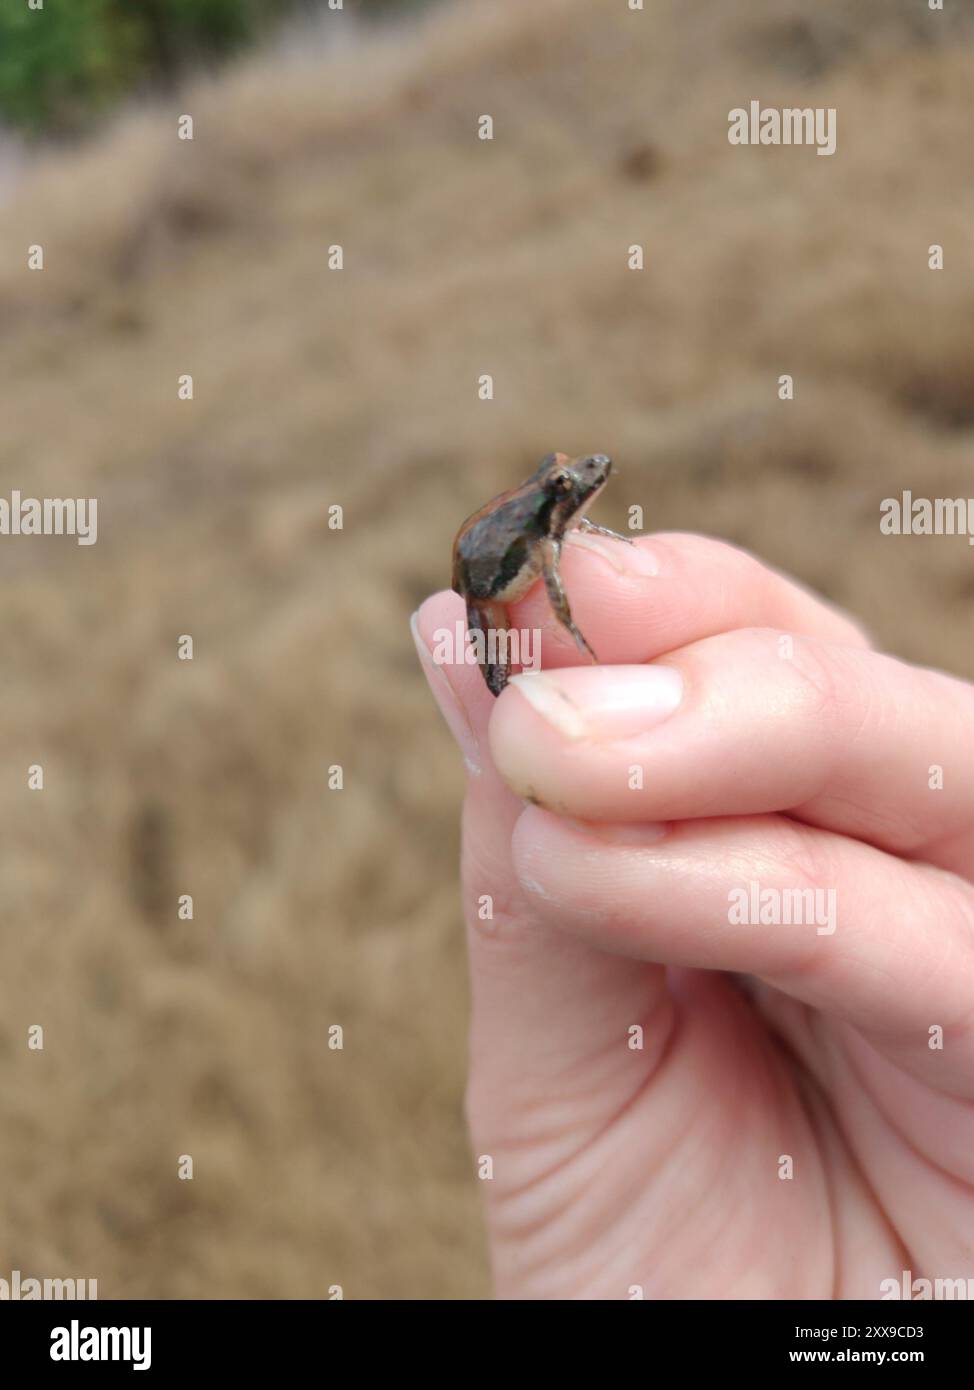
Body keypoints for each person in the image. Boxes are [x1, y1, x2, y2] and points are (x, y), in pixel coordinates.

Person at [412, 530, 974, 1300]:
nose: (585, 489)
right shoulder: (538, 563)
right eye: (571, 490)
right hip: (486, 582)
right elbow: (553, 599)